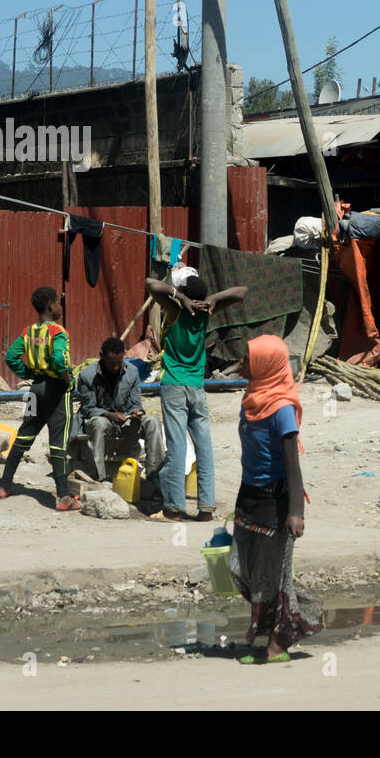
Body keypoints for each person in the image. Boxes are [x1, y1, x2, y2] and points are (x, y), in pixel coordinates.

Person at [230, 334, 322, 663]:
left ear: (265, 364)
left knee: (272, 573)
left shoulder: (282, 408)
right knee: (238, 567)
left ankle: (277, 643)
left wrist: (296, 511)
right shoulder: (252, 397)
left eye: (247, 358)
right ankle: (298, 614)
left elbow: (292, 463)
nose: (242, 363)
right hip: (249, 493)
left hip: (275, 499)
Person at [146, 274, 248, 522]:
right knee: (204, 447)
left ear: (183, 292)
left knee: (177, 446)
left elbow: (151, 284)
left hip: (174, 386)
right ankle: (206, 508)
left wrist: (182, 298)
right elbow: (241, 290)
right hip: (197, 387)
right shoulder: (206, 313)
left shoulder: (177, 309)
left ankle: (173, 509)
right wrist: (212, 300)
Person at [0, 286, 78, 511]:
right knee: (58, 443)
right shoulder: (58, 331)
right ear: (51, 305)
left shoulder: (28, 332)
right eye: (59, 303)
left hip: (35, 389)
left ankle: (4, 486)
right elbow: (60, 358)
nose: (60, 307)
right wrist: (64, 377)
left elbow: (11, 357)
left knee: (24, 435)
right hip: (56, 390)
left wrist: (29, 373)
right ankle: (64, 497)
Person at [74, 337, 166, 484]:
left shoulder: (132, 372)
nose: (116, 367)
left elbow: (136, 403)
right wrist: (110, 415)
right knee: (98, 423)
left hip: (125, 421)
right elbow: (88, 409)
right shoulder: (87, 376)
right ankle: (99, 478)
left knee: (153, 422)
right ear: (101, 356)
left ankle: (155, 478)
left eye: (119, 362)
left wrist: (137, 412)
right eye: (112, 364)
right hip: (102, 420)